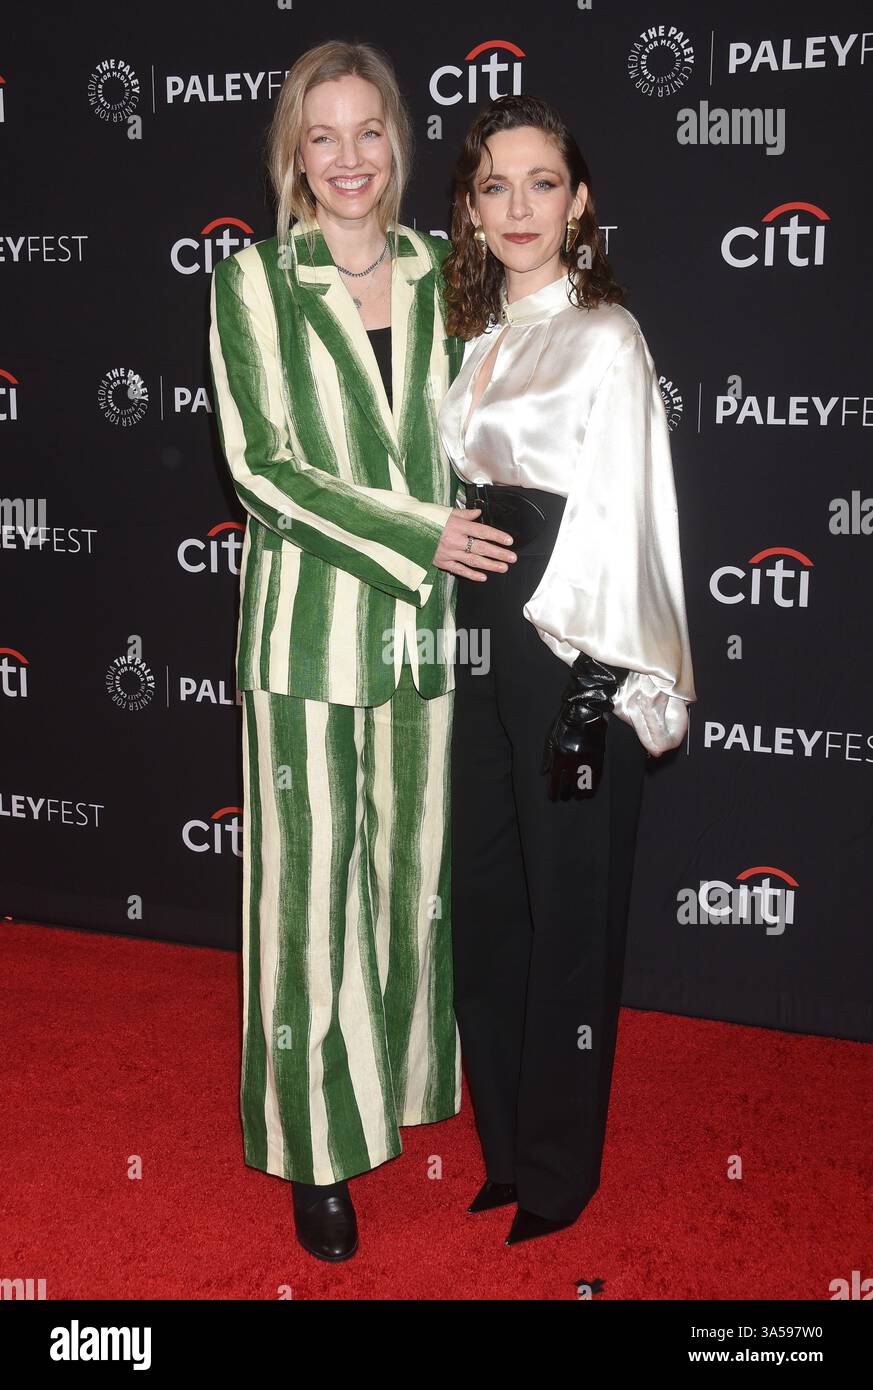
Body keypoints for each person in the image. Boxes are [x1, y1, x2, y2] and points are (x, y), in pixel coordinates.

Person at [208, 41, 514, 1263]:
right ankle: (313, 1152)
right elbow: (264, 467)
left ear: (398, 141)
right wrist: (423, 533)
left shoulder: (451, 270)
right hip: (304, 639)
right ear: (293, 154)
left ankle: (390, 1096)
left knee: (410, 885)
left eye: (368, 132)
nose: (347, 159)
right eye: (321, 137)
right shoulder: (252, 280)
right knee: (304, 897)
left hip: (424, 644)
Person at [437, 94, 697, 1245]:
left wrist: (600, 680)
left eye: (542, 182)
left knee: (572, 913)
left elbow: (630, 514)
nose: (519, 206)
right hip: (475, 633)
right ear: (472, 210)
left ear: (580, 201)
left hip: (569, 642)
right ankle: (503, 1144)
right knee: (490, 905)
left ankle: (559, 1170)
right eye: (495, 185)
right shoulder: (478, 340)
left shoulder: (607, 335)